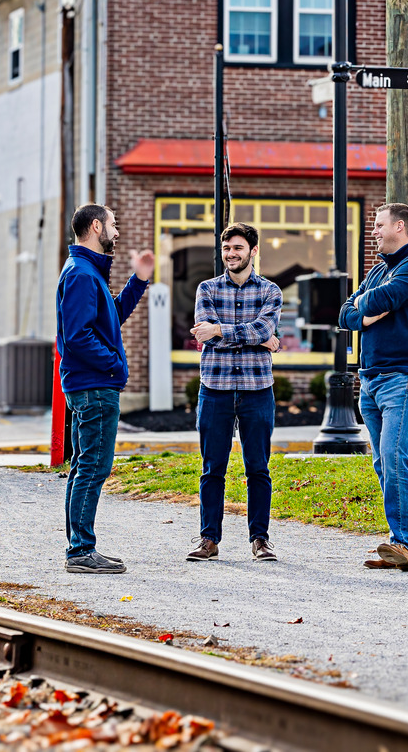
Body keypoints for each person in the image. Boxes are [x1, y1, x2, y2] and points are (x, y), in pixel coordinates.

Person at [338, 203, 408, 572]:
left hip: (402, 377)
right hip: (370, 378)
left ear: (400, 226)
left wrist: (365, 306)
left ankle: (405, 544)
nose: (374, 231)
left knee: (396, 460)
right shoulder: (380, 270)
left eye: (379, 225)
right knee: (384, 463)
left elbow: (374, 302)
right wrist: (364, 310)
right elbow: (344, 315)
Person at [56, 203, 154, 574]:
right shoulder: (82, 274)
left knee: (86, 465)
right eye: (113, 225)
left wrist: (138, 280)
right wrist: (114, 367)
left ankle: (79, 548)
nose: (117, 232)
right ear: (96, 227)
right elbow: (78, 337)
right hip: (95, 386)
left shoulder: (86, 272)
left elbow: (109, 316)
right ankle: (80, 551)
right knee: (94, 466)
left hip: (93, 384)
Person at [186, 223, 283, 563]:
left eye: (238, 248)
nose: (231, 254)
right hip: (215, 390)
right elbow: (205, 333)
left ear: (253, 251)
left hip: (258, 390)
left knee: (258, 468)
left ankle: (260, 539)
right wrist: (255, 337)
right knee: (213, 468)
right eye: (227, 249)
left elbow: (263, 328)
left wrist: (223, 330)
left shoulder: (271, 292)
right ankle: (208, 539)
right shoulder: (207, 289)